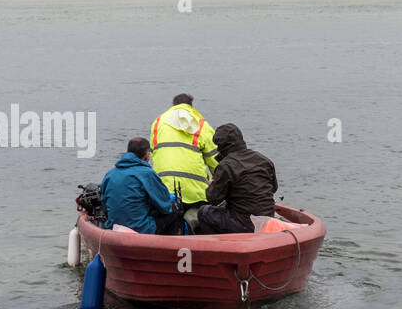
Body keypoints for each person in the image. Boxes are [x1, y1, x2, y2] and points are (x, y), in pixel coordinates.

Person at [149, 93, 219, 231]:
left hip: (164, 191)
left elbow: (154, 154)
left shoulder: (157, 123)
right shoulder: (200, 124)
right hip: (195, 193)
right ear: (191, 107)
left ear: (173, 106)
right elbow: (216, 161)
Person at [196, 123, 278, 234]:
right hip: (267, 218)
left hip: (244, 223)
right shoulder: (264, 160)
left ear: (221, 146)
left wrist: (212, 184)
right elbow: (274, 188)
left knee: (204, 212)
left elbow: (213, 199)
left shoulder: (226, 166)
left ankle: (219, 245)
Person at [100, 138, 184, 235]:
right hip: (142, 229)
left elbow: (105, 205)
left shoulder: (110, 174)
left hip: (113, 226)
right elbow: (165, 206)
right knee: (176, 207)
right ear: (147, 155)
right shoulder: (147, 173)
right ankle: (170, 245)